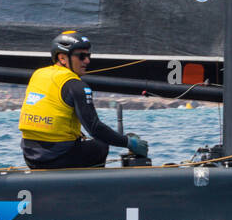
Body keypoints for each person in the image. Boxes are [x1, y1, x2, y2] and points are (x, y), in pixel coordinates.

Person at [19, 31, 147, 169]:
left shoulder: (38, 74)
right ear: (62, 58)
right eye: (82, 56)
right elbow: (95, 129)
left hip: (30, 158)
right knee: (100, 145)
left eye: (88, 55)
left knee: (81, 140)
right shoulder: (76, 85)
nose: (87, 61)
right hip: (56, 158)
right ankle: (92, 186)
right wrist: (128, 142)